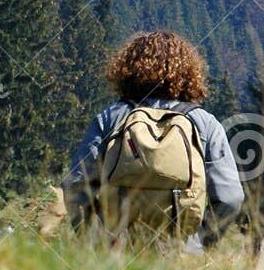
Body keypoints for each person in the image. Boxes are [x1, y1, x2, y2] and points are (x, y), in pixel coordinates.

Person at [65, 30, 244, 246]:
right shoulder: (205, 123)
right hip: (179, 252)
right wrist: (197, 245)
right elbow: (230, 198)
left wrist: (94, 240)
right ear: (189, 73)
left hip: (114, 252)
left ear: (127, 70)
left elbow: (76, 185)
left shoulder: (111, 117)